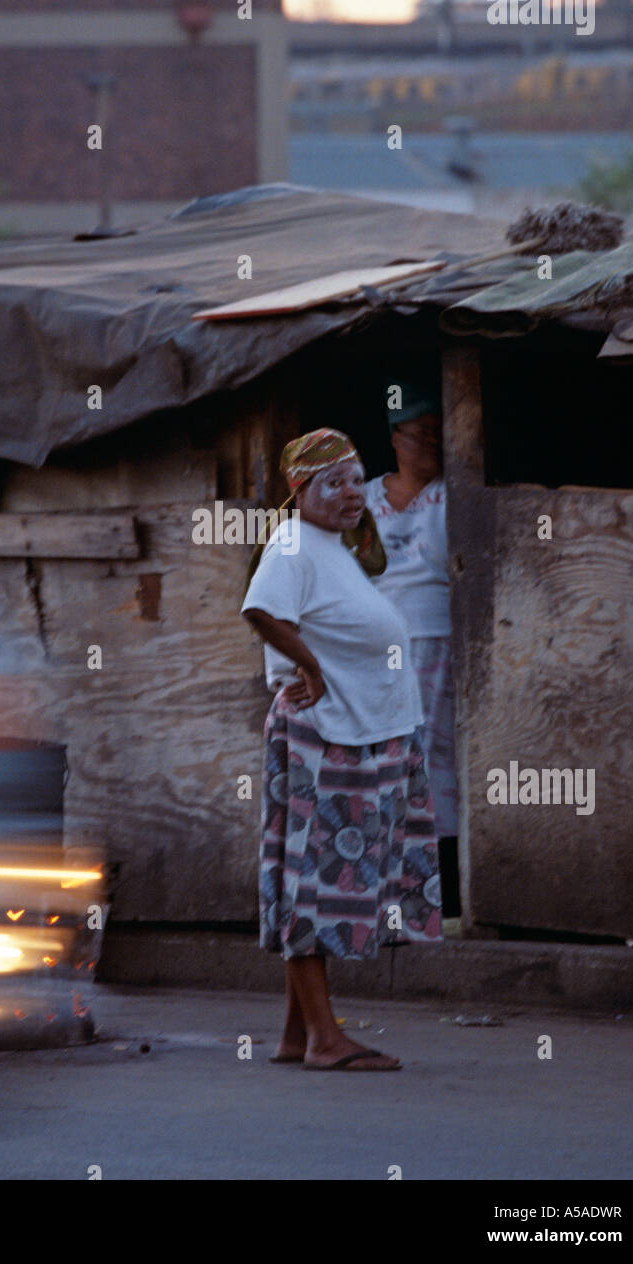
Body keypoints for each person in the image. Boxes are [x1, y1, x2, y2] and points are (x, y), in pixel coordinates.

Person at [241, 428, 442, 1073]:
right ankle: (328, 1041)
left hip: (362, 732)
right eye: (335, 483)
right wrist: (312, 669)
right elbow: (262, 611)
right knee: (313, 882)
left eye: (358, 479)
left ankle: (299, 1035)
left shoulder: (330, 546)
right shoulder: (295, 543)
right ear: (301, 492)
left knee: (325, 881)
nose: (352, 493)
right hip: (324, 739)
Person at [363, 382, 460, 916]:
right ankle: (391, 887)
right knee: (386, 758)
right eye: (418, 433)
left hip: (437, 640)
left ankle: (443, 892)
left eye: (435, 434)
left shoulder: (451, 494)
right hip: (378, 650)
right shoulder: (367, 499)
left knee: (434, 759)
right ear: (396, 439)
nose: (429, 443)